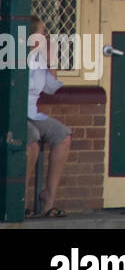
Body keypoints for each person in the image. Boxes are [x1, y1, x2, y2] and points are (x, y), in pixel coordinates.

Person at [26, 16, 71, 217]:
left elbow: (51, 88)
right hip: (11, 112)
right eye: (42, 33)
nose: (46, 37)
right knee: (31, 140)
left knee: (62, 135)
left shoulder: (39, 58)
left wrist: (52, 59)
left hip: (32, 111)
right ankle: (18, 198)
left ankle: (48, 199)